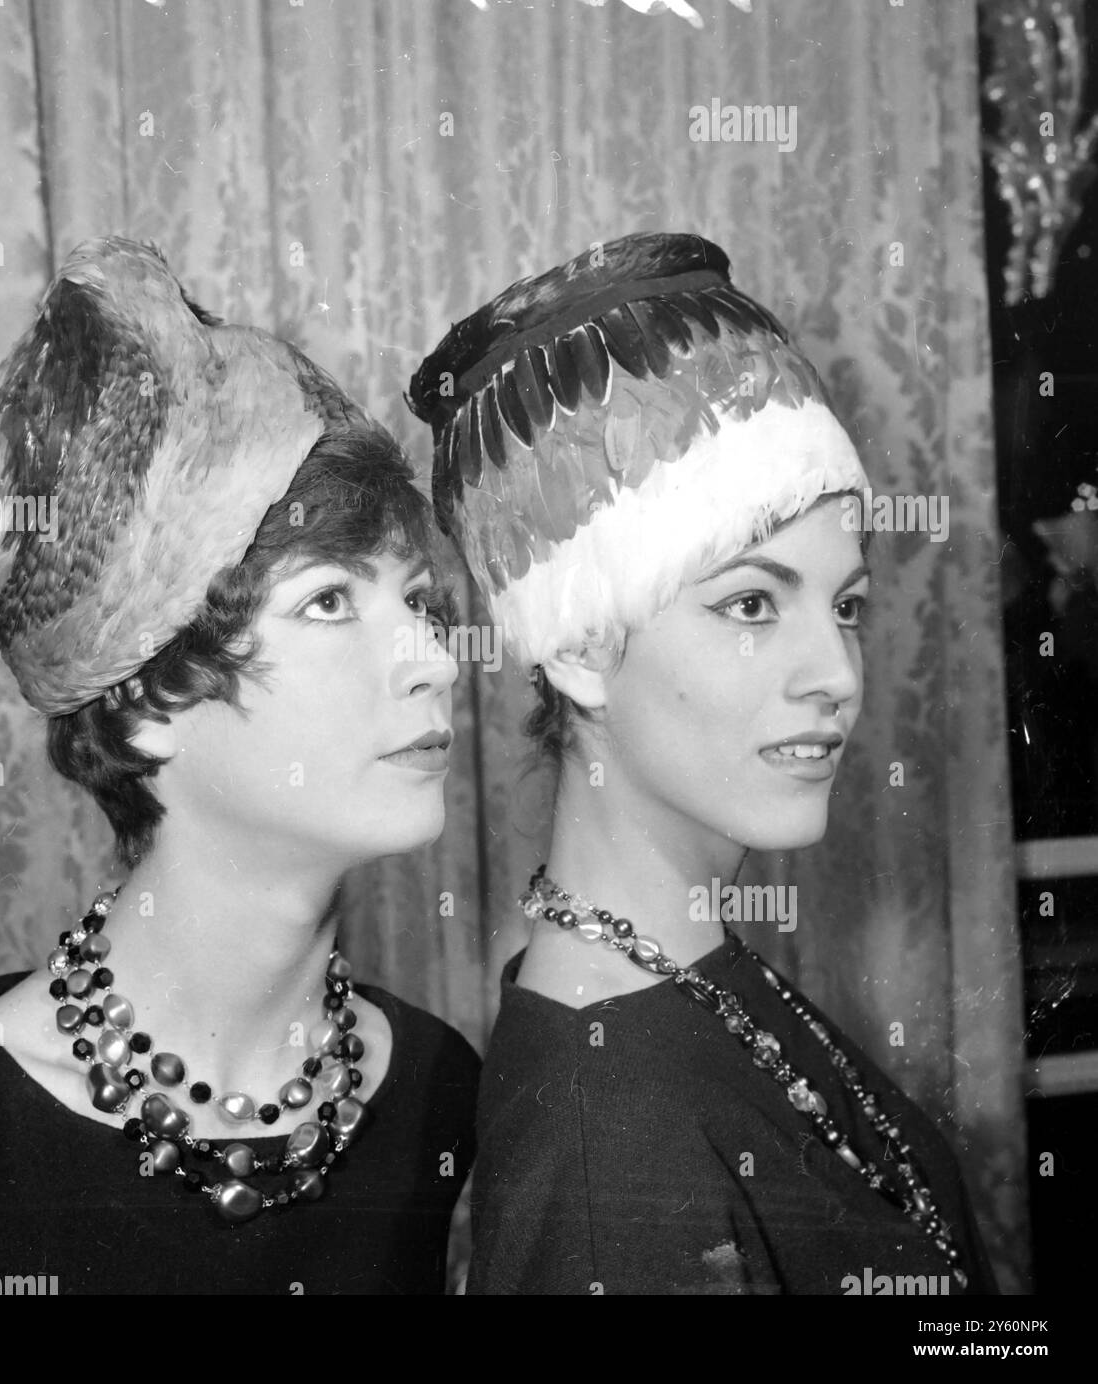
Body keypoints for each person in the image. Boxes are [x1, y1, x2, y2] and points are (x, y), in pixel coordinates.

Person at [0, 236, 478, 1295]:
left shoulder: (442, 1095)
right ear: (147, 705)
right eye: (330, 601)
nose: (436, 659)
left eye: (420, 604)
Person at [406, 230, 997, 1295]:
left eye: (846, 605)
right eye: (751, 604)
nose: (838, 674)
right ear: (582, 643)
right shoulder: (609, 1154)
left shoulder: (679, 972)